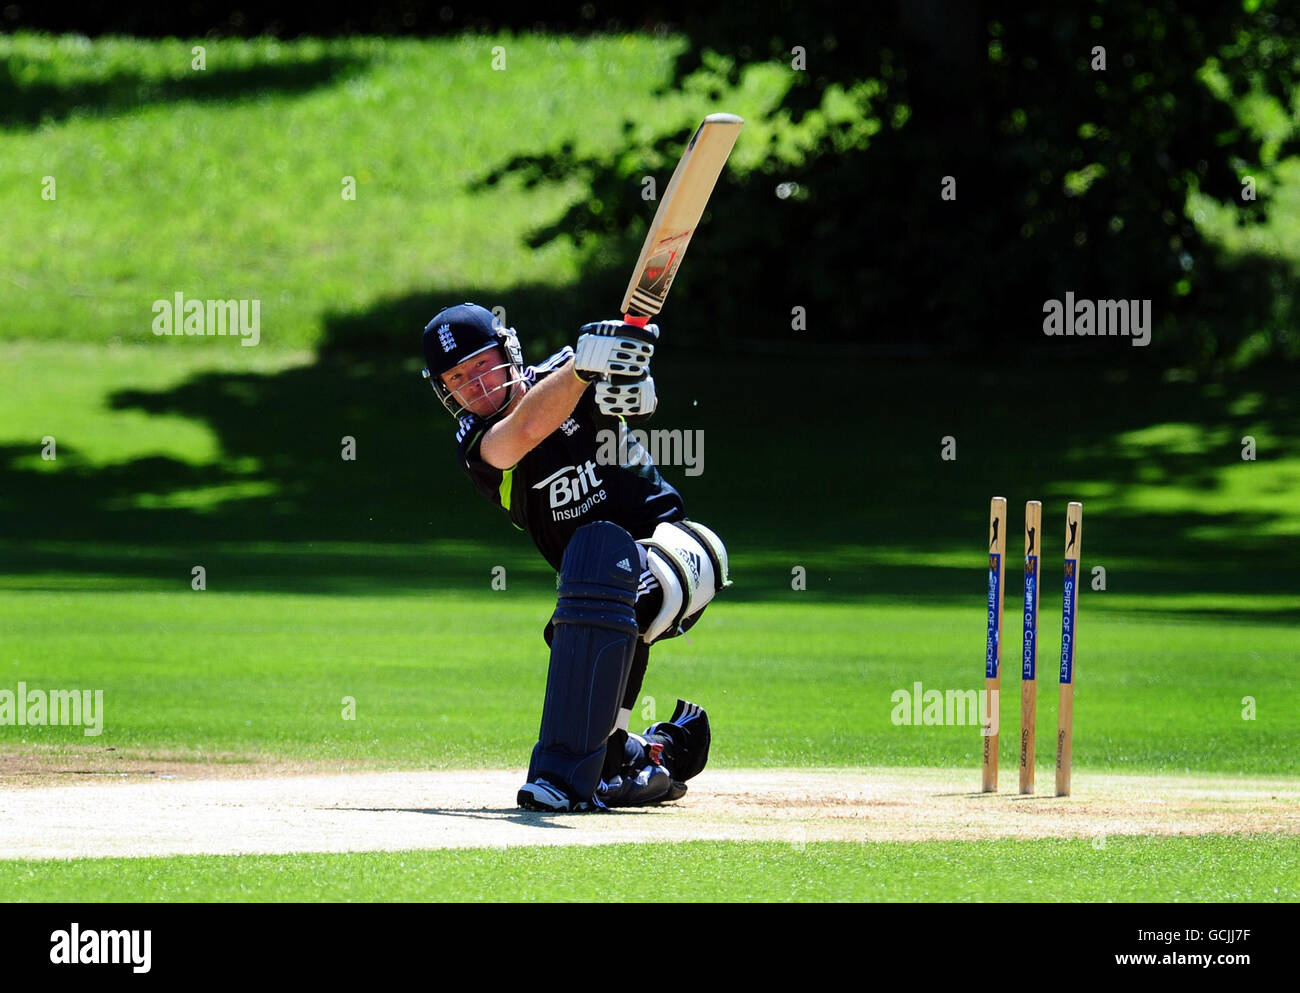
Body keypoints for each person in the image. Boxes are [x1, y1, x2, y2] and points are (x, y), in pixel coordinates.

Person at [421, 302, 729, 812]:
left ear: (508, 351)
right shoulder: (476, 443)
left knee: (633, 593)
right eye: (457, 378)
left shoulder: (569, 369)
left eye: (480, 364)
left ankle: (615, 760)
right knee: (590, 626)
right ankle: (640, 754)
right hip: (593, 590)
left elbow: (628, 402)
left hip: (677, 546)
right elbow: (522, 433)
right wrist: (585, 368)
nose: (473, 385)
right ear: (444, 391)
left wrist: (631, 378)